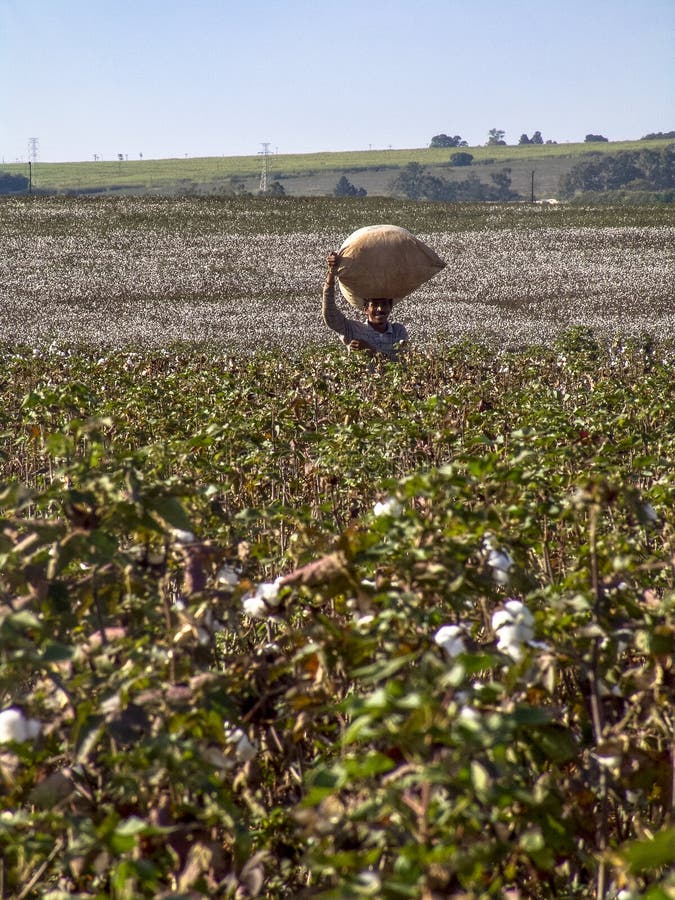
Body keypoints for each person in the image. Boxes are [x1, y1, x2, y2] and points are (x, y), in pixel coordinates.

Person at [322, 252, 409, 360]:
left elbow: (402, 363)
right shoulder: (353, 330)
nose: (380, 309)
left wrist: (371, 351)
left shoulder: (398, 331)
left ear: (390, 306)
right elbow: (330, 314)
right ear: (366, 309)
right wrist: (331, 273)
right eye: (375, 304)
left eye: (384, 304)